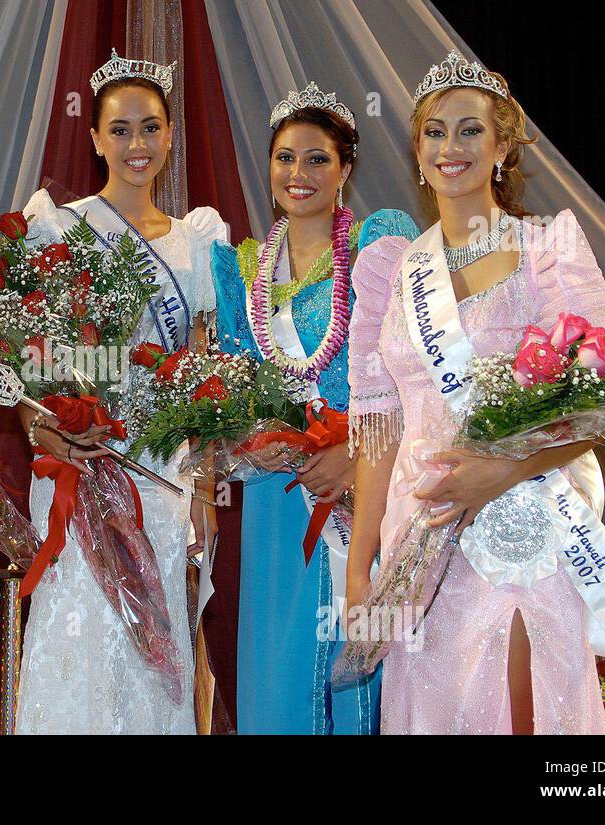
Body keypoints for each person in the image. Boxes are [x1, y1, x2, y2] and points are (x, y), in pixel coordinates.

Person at [345, 52, 605, 734]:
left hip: (521, 529)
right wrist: (360, 567)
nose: (451, 147)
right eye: (435, 132)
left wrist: (500, 471)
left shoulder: (545, 250)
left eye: (470, 131)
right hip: (419, 536)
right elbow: (382, 428)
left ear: (501, 147)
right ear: (416, 151)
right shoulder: (393, 270)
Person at [12, 51, 227, 734]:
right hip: (79, 460)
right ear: (96, 137)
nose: (138, 144)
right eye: (122, 129)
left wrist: (205, 481)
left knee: (153, 641)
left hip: (162, 472)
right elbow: (20, 360)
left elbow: (202, 375)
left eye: (151, 127)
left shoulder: (198, 241)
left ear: (170, 136)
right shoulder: (59, 228)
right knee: (76, 632)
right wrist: (40, 426)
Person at [210, 83, 417, 733]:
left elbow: (418, 377)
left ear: (346, 170)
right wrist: (248, 439)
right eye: (285, 158)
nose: (298, 174)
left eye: (317, 159)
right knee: (280, 677)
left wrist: (355, 456)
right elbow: (231, 392)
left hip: (363, 494)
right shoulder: (242, 271)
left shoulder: (378, 248)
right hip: (280, 500)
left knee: (356, 671)